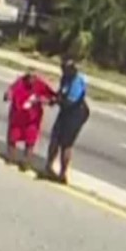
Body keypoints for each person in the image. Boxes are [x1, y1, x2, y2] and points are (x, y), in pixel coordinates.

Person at [44, 56, 90, 184]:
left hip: (76, 113)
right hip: (65, 111)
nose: (64, 72)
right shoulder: (65, 78)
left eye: (67, 69)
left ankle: (62, 174)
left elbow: (70, 101)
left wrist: (56, 101)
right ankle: (48, 166)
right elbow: (61, 93)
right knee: (54, 138)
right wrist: (54, 98)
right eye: (63, 69)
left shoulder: (77, 81)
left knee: (66, 144)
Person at [3, 67, 55, 171]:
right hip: (17, 116)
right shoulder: (19, 82)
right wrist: (8, 95)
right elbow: (9, 92)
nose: (32, 80)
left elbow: (52, 98)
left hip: (32, 119)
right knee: (13, 137)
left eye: (34, 77)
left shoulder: (41, 85)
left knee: (30, 140)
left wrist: (46, 100)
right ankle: (10, 157)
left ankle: (26, 162)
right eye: (30, 77)